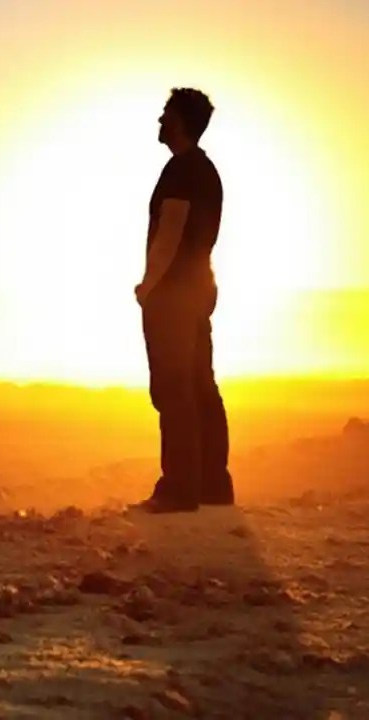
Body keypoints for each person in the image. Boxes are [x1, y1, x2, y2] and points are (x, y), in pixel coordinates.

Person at [131, 87, 235, 513]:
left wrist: (148, 284)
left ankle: (178, 489)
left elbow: (171, 229)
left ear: (179, 123)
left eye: (164, 115)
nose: (158, 121)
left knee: (173, 388)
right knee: (199, 385)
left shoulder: (181, 170)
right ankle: (213, 486)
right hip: (198, 289)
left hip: (173, 293)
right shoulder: (206, 171)